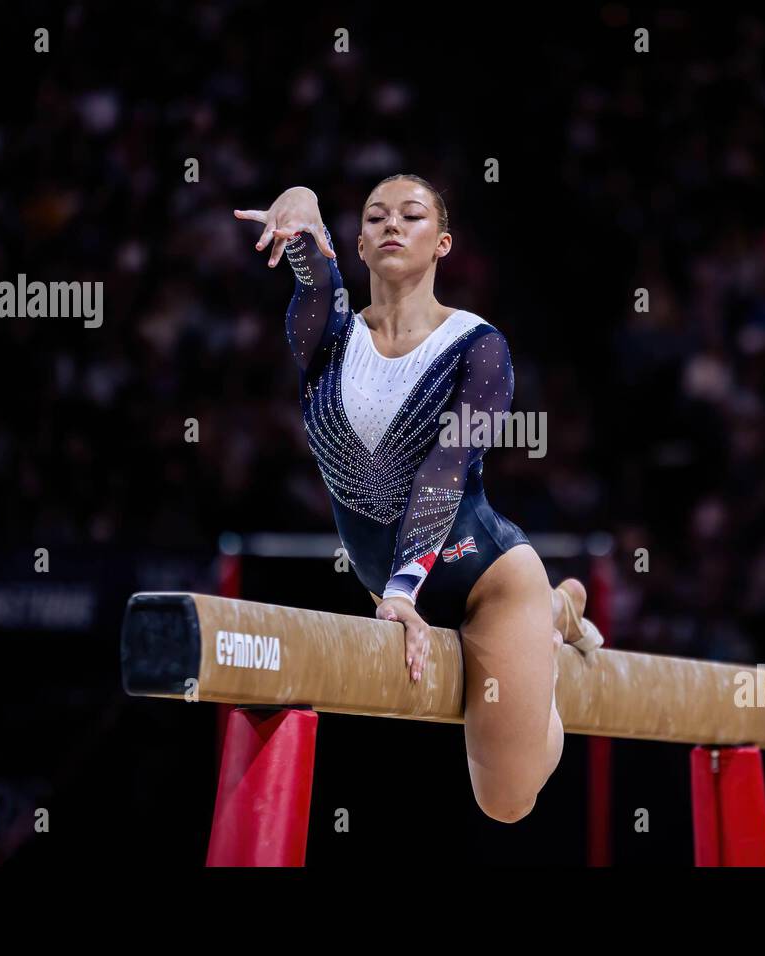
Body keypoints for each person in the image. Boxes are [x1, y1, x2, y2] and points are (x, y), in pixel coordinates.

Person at [234, 175, 600, 823]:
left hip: (486, 580)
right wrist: (301, 203)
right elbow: (313, 277)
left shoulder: (479, 348)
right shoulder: (327, 338)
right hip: (396, 589)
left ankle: (543, 620)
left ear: (443, 244)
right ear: (359, 245)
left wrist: (401, 591)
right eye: (376, 217)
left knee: (506, 802)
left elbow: (444, 470)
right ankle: (555, 610)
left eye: (411, 215)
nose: (392, 226)